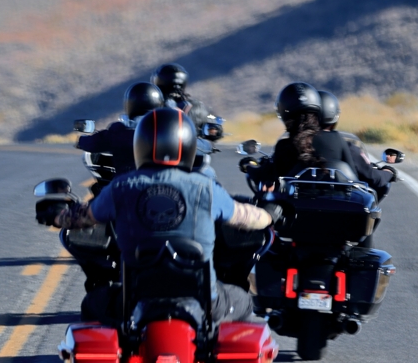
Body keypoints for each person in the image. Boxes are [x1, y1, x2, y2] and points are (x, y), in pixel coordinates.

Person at [38, 107, 276, 324]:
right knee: (245, 302)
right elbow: (250, 217)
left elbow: (82, 217)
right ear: (189, 145)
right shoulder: (206, 188)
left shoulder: (121, 186)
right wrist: (270, 214)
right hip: (205, 301)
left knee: (91, 305)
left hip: (132, 301)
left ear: (139, 145)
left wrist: (57, 215)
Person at [253, 84, 392, 198]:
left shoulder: (284, 145)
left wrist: (249, 166)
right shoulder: (339, 141)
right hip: (342, 210)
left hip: (296, 214)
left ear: (283, 112)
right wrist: (389, 172)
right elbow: (364, 178)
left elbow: (272, 177)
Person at [76, 82, 164, 191]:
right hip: (163, 187)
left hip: (125, 188)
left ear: (130, 104)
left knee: (96, 198)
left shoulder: (118, 131)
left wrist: (80, 140)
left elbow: (91, 143)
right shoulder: (166, 129)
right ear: (159, 103)